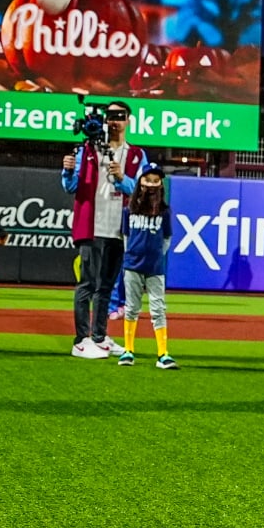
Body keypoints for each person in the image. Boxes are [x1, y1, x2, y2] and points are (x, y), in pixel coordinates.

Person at [62, 101, 147, 358]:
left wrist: (122, 178)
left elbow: (140, 190)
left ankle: (99, 336)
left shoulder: (136, 155)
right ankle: (80, 340)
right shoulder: (87, 149)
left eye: (120, 116)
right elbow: (70, 186)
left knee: (107, 287)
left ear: (129, 120)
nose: (114, 121)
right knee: (87, 283)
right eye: (110, 116)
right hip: (92, 226)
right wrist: (66, 172)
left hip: (119, 229)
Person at [117, 168, 176, 368]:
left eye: (155, 180)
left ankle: (162, 354)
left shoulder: (165, 211)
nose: (151, 184)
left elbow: (167, 238)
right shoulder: (129, 209)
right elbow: (125, 236)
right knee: (132, 308)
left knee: (158, 309)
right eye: (148, 179)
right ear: (140, 182)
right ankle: (128, 351)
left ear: (160, 184)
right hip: (132, 266)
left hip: (155, 268)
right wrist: (131, 255)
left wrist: (157, 256)